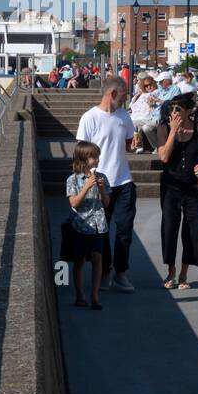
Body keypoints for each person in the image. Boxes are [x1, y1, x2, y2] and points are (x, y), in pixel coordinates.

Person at [76, 77, 139, 293]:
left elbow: (128, 145)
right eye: (123, 96)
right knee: (101, 232)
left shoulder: (124, 116)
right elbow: (81, 154)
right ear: (113, 93)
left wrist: (133, 144)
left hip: (124, 181)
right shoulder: (90, 118)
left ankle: (121, 273)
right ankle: (104, 273)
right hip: (100, 183)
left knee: (124, 229)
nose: (126, 100)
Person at [158, 93, 198, 289]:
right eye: (171, 108)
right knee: (169, 228)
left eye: (178, 108)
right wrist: (172, 132)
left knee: (191, 230)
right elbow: (163, 157)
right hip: (171, 186)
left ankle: (184, 273)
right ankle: (171, 271)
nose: (174, 112)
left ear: (188, 111)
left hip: (193, 187)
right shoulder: (163, 128)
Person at [65, 140, 109, 309]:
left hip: (98, 224)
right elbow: (74, 203)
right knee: (80, 260)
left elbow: (106, 203)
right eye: (93, 157)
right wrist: (86, 187)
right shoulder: (73, 180)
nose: (97, 160)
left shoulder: (102, 177)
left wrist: (102, 189)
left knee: (98, 258)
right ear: (83, 159)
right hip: (80, 226)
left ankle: (95, 296)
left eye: (98, 157)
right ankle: (80, 294)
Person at [128, 76, 161, 152]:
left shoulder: (155, 93)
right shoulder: (138, 95)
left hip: (148, 116)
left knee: (134, 123)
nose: (148, 87)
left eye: (150, 85)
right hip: (137, 116)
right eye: (146, 86)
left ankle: (139, 145)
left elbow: (152, 106)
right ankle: (138, 145)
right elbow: (131, 106)